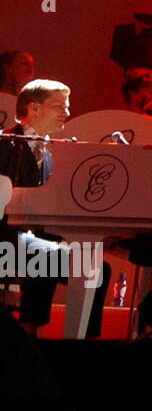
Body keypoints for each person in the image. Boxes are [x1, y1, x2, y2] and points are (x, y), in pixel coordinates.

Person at [0, 80, 108, 337]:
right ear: (34, 109)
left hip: (31, 234)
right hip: (5, 234)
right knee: (50, 252)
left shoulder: (50, 151)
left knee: (95, 266)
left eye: (67, 107)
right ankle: (30, 333)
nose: (67, 113)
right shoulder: (5, 143)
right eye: (59, 106)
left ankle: (82, 340)